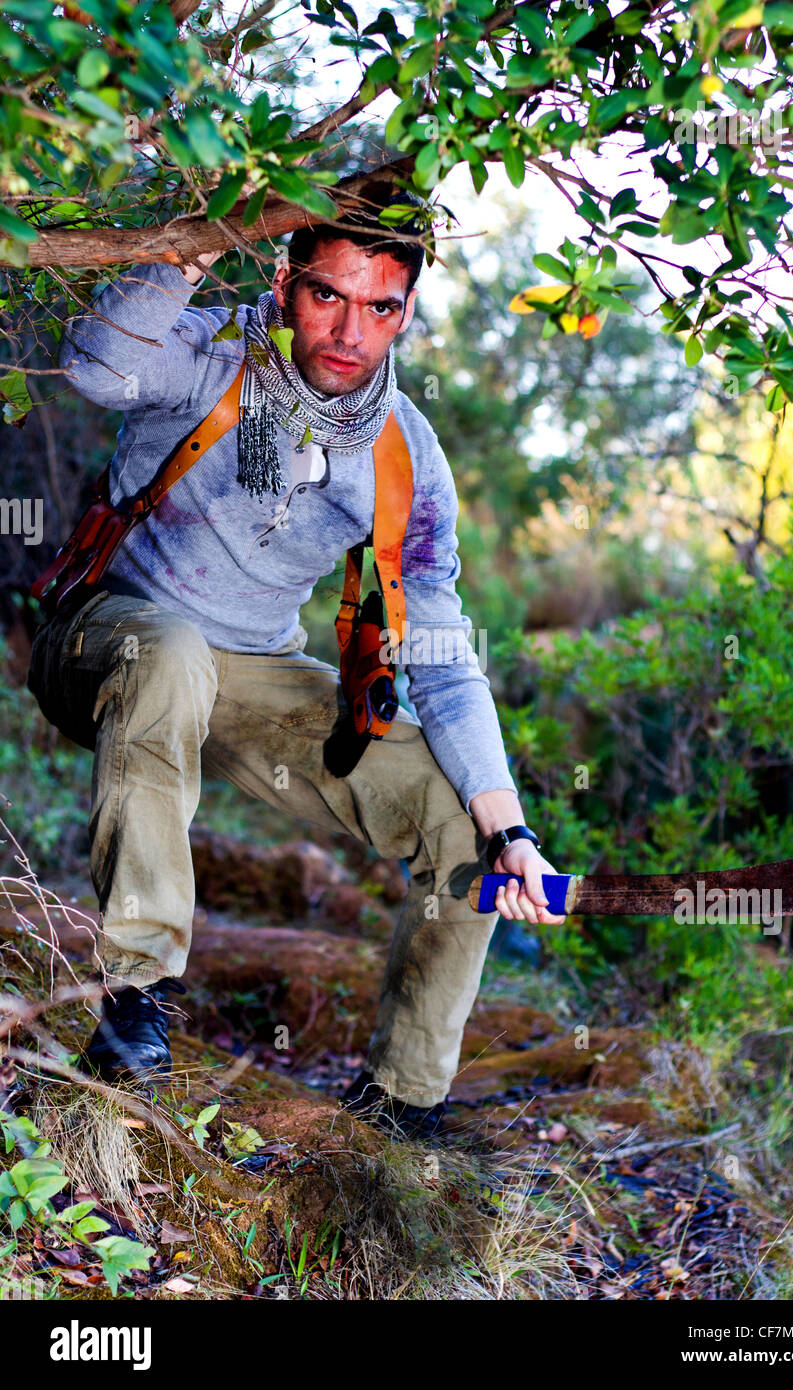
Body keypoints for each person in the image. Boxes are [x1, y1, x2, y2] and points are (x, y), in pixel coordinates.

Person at [27, 191, 566, 1141]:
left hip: (254, 673)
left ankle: (401, 1104)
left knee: (458, 824)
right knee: (171, 655)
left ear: (407, 311)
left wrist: (509, 827)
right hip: (108, 636)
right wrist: (191, 246)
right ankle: (137, 999)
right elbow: (98, 368)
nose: (351, 330)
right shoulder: (211, 351)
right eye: (326, 296)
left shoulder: (403, 453)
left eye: (382, 307)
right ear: (283, 278)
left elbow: (438, 648)